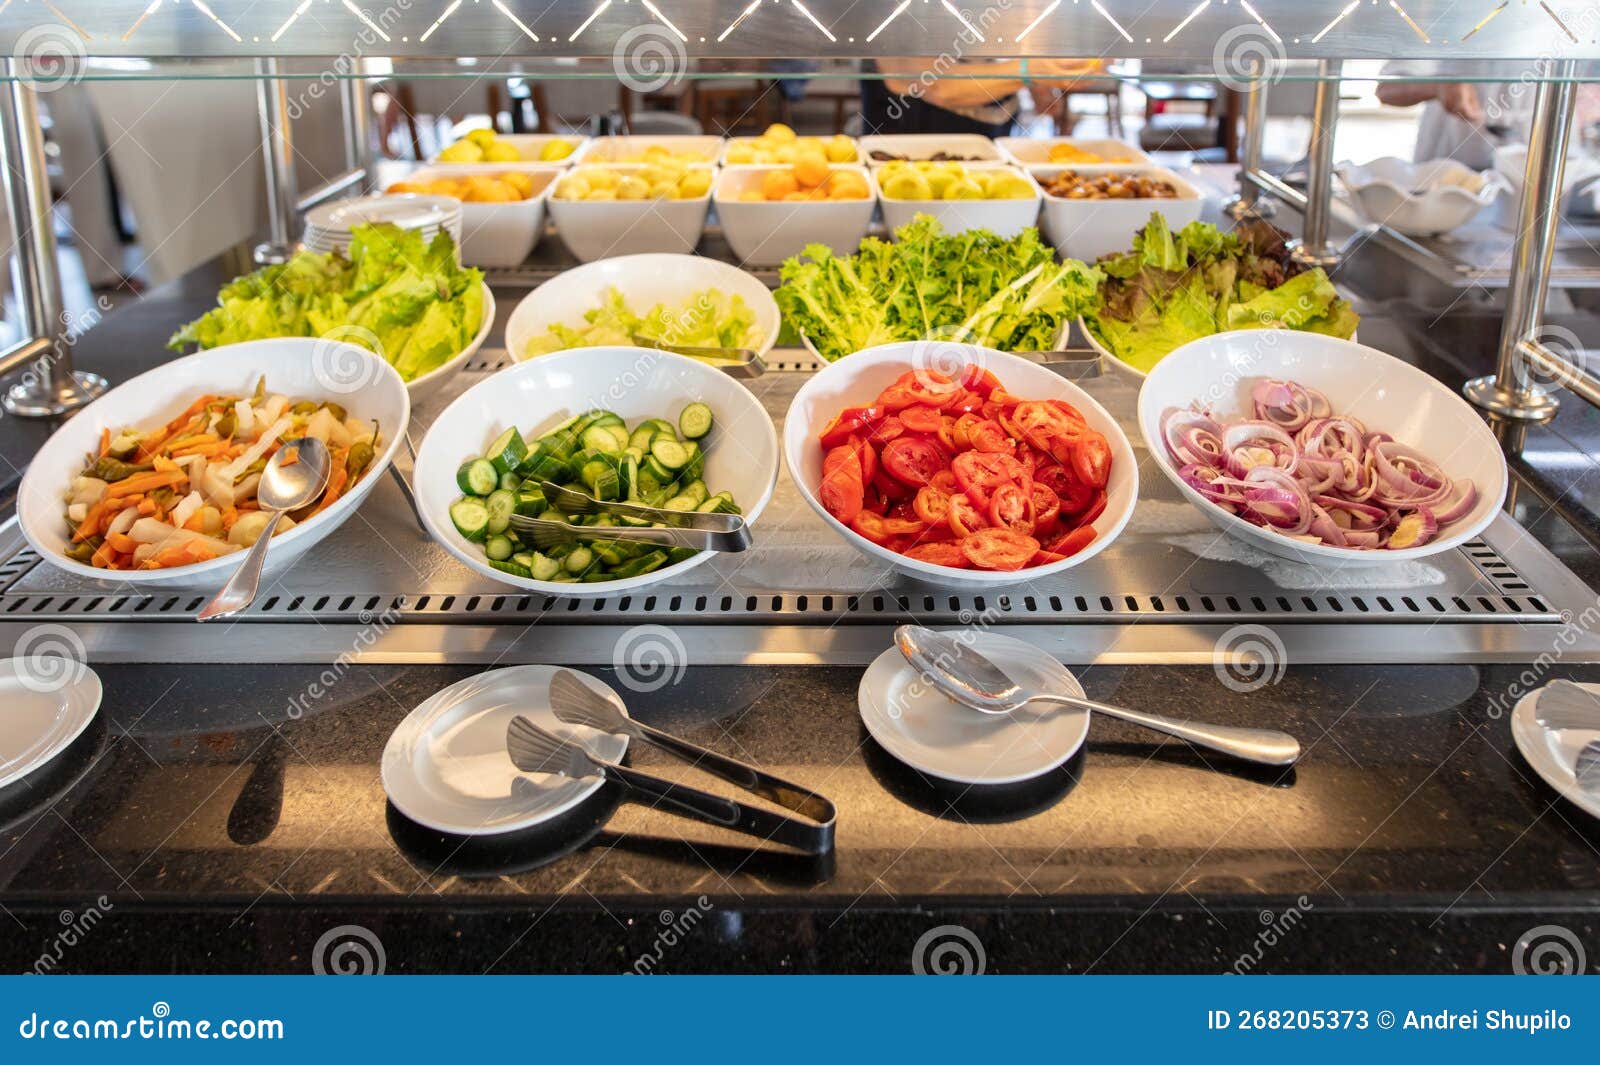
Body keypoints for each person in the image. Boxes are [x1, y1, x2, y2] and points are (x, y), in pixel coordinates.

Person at [860, 58, 1104, 138]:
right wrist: (1031, 71)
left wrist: (1040, 86)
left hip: (991, 139)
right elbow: (938, 86)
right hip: (913, 146)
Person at [1374, 61, 1531, 169]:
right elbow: (1386, 88)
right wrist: (1437, 85)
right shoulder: (1433, 15)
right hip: (1439, 179)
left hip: (1523, 174)